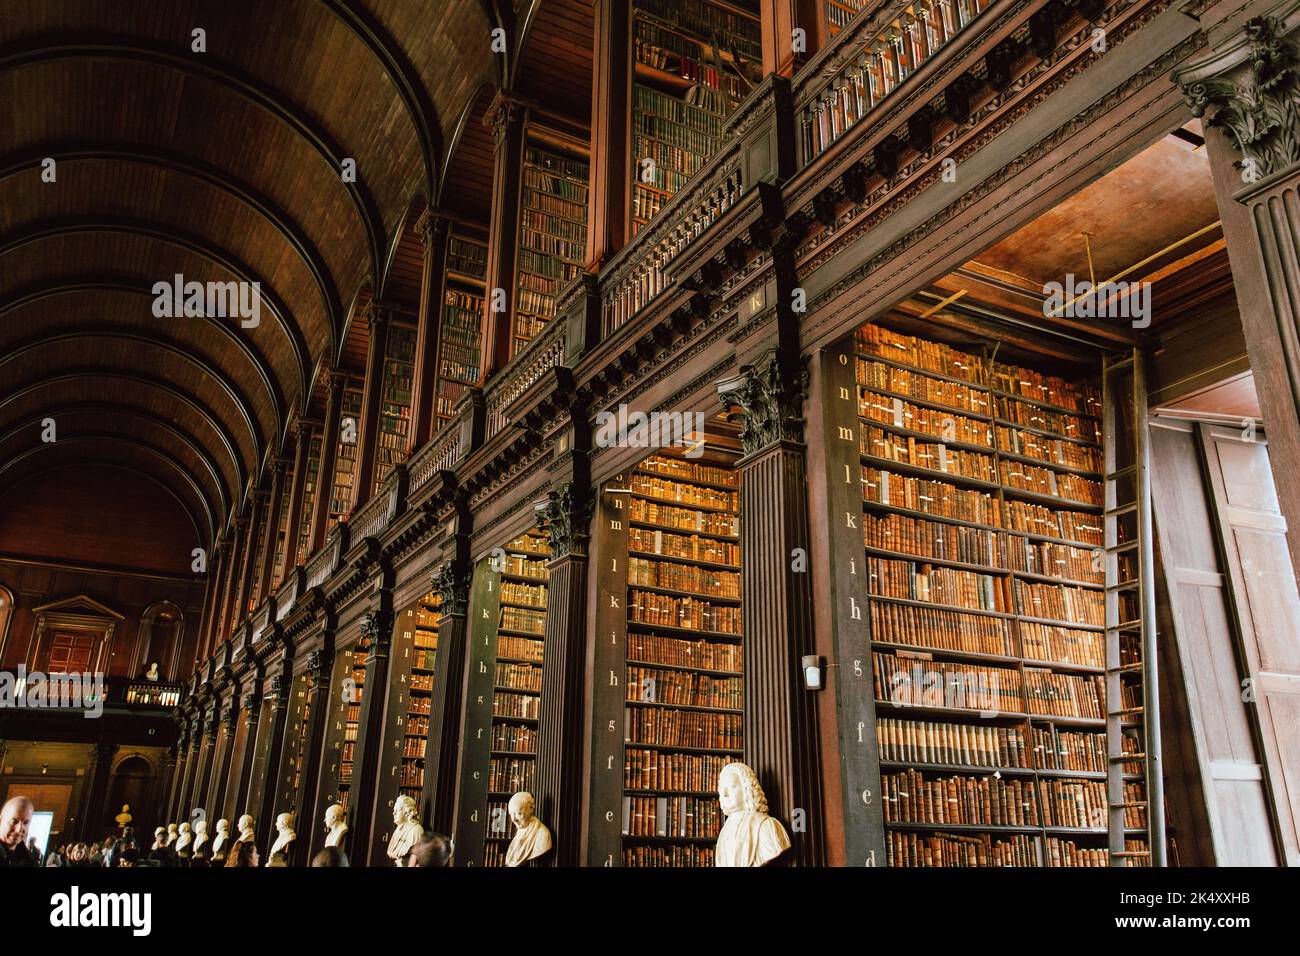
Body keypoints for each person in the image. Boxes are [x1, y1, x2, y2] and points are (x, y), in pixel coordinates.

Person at [0, 796, 37, 867]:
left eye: (25, 823)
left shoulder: (27, 859)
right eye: (14, 821)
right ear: (1, 820)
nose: (19, 829)